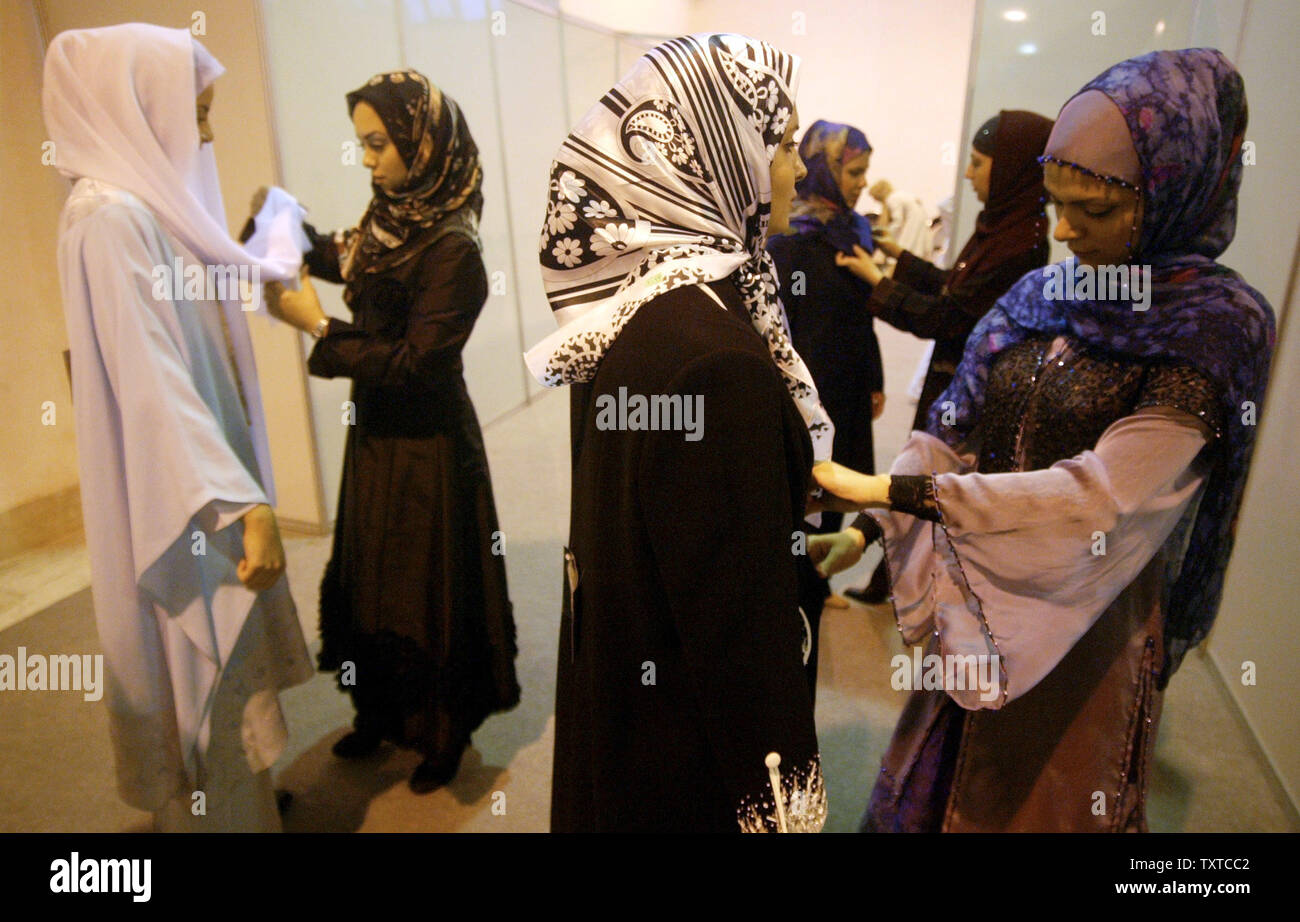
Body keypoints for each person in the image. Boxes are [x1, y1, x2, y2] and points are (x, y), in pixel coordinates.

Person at [810, 48, 1274, 832]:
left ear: (1171, 196)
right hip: (979, 591)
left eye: (1092, 212)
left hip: (1087, 622)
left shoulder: (1214, 330)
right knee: (942, 776)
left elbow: (1104, 501)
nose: (1063, 232)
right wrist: (869, 527)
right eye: (1057, 204)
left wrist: (898, 494)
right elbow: (955, 424)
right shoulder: (1042, 294)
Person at [526, 33, 829, 832]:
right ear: (719, 151)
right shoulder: (715, 360)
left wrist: (781, 539)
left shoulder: (632, 308)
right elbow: (739, 648)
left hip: (626, 701)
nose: (796, 170)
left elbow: (669, 535)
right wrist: (785, 813)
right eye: (783, 144)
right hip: (685, 759)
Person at [44, 23, 314, 831]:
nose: (203, 132)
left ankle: (245, 811)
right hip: (188, 497)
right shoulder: (108, 219)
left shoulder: (144, 208)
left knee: (230, 668)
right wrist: (239, 502)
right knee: (201, 663)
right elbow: (153, 383)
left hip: (202, 478)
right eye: (194, 111)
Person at [269, 70, 519, 794]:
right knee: (372, 575)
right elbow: (345, 256)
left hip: (429, 442)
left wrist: (317, 324)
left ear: (423, 141)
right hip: (376, 433)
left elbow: (417, 364)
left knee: (427, 586)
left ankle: (442, 733)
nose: (369, 160)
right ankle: (378, 710)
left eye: (379, 144)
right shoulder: (391, 217)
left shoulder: (452, 248)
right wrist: (286, 224)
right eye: (362, 145)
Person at [767, 121, 885, 614]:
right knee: (806, 490)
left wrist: (875, 379)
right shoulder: (789, 237)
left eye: (864, 173)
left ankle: (818, 580)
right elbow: (779, 328)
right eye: (854, 171)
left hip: (852, 381)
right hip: (812, 388)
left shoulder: (852, 230)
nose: (860, 183)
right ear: (826, 167)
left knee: (844, 484)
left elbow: (864, 314)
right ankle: (793, 584)